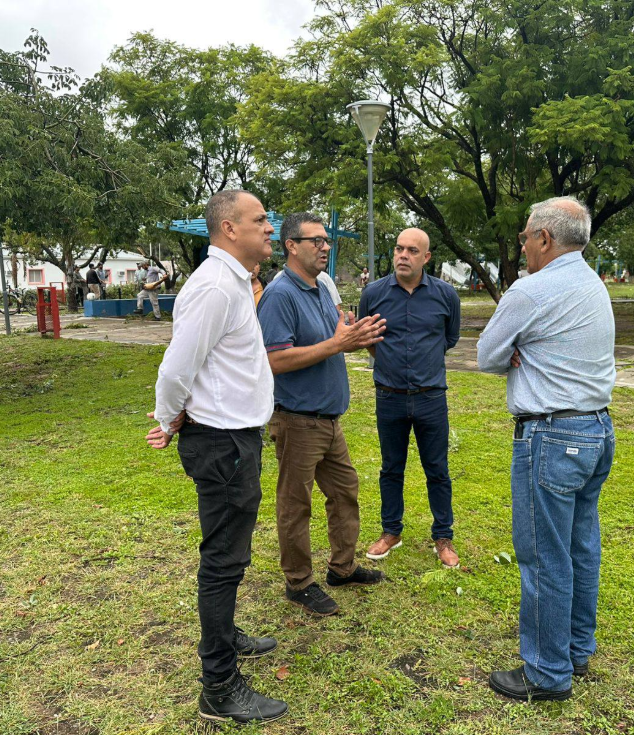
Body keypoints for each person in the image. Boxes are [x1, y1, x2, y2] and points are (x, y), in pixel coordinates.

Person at [145, 190, 288, 725]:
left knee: (230, 553)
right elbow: (177, 365)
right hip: (222, 442)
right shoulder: (212, 287)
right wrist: (168, 416)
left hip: (234, 436)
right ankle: (219, 685)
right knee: (224, 561)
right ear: (229, 229)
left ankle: (226, 637)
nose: (269, 228)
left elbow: (213, 365)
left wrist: (181, 412)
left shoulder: (234, 283)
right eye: (260, 221)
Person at [477, 197, 616, 702]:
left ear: (544, 238)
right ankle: (576, 650)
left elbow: (488, 355)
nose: (523, 246)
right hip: (597, 430)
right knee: (581, 548)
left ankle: (546, 672)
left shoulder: (531, 290)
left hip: (551, 436)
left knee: (543, 557)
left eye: (525, 237)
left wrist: (521, 351)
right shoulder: (593, 283)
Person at [257, 212, 387, 617]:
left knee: (345, 492)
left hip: (329, 420)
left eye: (326, 240)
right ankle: (298, 583)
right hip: (297, 420)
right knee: (295, 504)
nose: (325, 247)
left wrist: (350, 338)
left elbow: (332, 342)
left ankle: (341, 569)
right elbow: (274, 360)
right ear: (291, 245)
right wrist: (336, 344)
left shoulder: (317, 289)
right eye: (316, 240)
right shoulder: (280, 294)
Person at [359, 228, 462, 568]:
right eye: (399, 248)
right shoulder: (373, 294)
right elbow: (367, 339)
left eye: (412, 251)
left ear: (426, 257)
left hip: (431, 397)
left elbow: (449, 338)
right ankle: (391, 531)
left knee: (437, 470)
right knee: (391, 468)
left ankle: (443, 537)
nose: (403, 255)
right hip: (389, 397)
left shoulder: (446, 296)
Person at [271, 267, 342, 307]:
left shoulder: (323, 279)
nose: (326, 247)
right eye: (315, 242)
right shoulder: (278, 286)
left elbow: (336, 307)